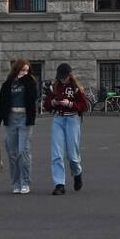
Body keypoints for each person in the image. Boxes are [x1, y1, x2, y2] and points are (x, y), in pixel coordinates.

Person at [0, 58, 39, 194]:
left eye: (26, 70)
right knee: (12, 153)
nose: (24, 72)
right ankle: (16, 182)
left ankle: (25, 182)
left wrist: (25, 79)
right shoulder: (7, 84)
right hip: (11, 118)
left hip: (25, 118)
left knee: (23, 151)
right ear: (16, 70)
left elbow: (33, 97)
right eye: (22, 70)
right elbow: (1, 105)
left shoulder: (30, 82)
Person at [42, 63, 88, 194]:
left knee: (72, 154)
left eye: (65, 77)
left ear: (69, 75)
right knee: (56, 153)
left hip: (72, 119)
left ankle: (77, 172)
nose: (63, 80)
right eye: (61, 77)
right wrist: (53, 102)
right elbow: (46, 105)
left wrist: (70, 103)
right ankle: (59, 184)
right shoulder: (54, 87)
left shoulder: (75, 88)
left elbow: (84, 105)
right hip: (58, 119)